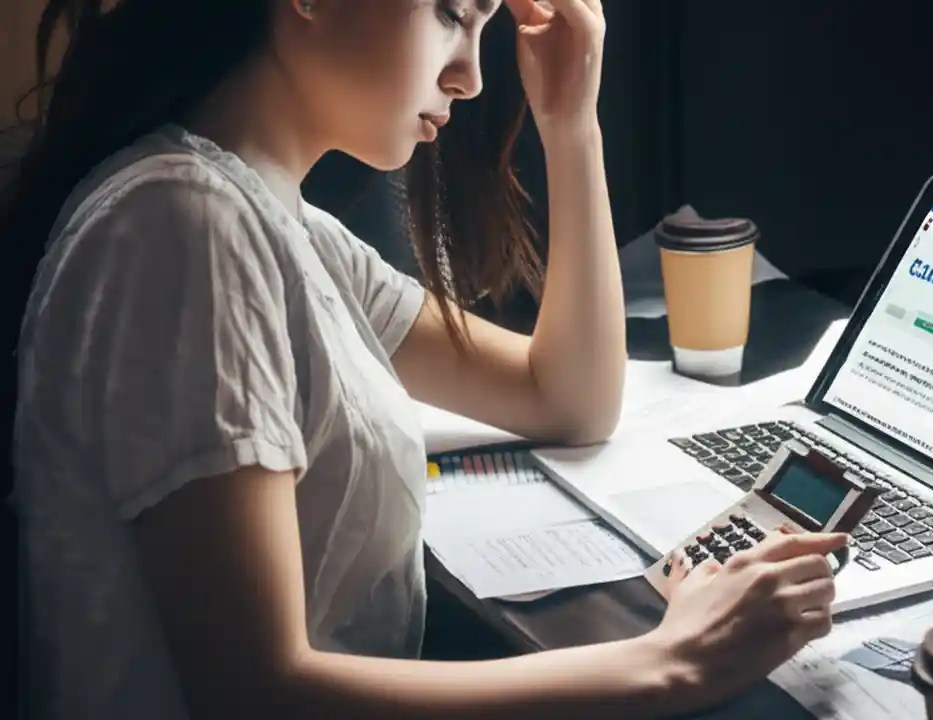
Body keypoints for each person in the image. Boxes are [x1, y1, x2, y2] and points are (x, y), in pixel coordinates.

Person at [5, 1, 847, 717]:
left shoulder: (277, 225)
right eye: (450, 12)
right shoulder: (187, 225)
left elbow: (568, 397)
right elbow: (256, 694)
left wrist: (569, 123)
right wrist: (672, 663)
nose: (470, 77)